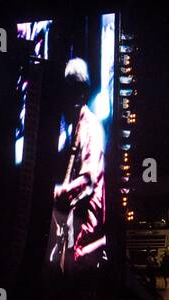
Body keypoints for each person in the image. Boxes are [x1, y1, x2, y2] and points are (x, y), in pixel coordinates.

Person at [50, 58, 106, 271]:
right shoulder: (75, 126)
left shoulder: (90, 127)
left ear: (82, 92)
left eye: (73, 89)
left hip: (88, 241)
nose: (67, 96)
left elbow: (87, 181)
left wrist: (55, 194)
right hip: (78, 240)